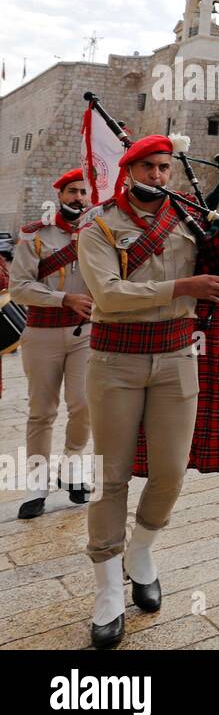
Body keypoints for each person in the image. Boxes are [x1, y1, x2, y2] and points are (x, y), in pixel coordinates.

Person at [78, 135, 219, 649]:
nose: (159, 176)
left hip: (177, 356)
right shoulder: (99, 225)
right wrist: (184, 288)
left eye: (164, 168)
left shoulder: (188, 220)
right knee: (110, 476)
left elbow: (217, 269)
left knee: (171, 471)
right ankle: (108, 588)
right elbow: (107, 292)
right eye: (149, 167)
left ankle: (142, 551)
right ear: (129, 169)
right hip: (116, 359)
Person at [9, 169, 94, 519]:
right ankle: (37, 483)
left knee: (84, 405)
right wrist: (63, 299)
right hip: (42, 332)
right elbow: (19, 287)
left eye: (84, 192)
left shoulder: (98, 233)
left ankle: (72, 469)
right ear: (59, 194)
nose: (79, 198)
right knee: (41, 412)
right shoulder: (35, 235)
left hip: (85, 333)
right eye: (73, 191)